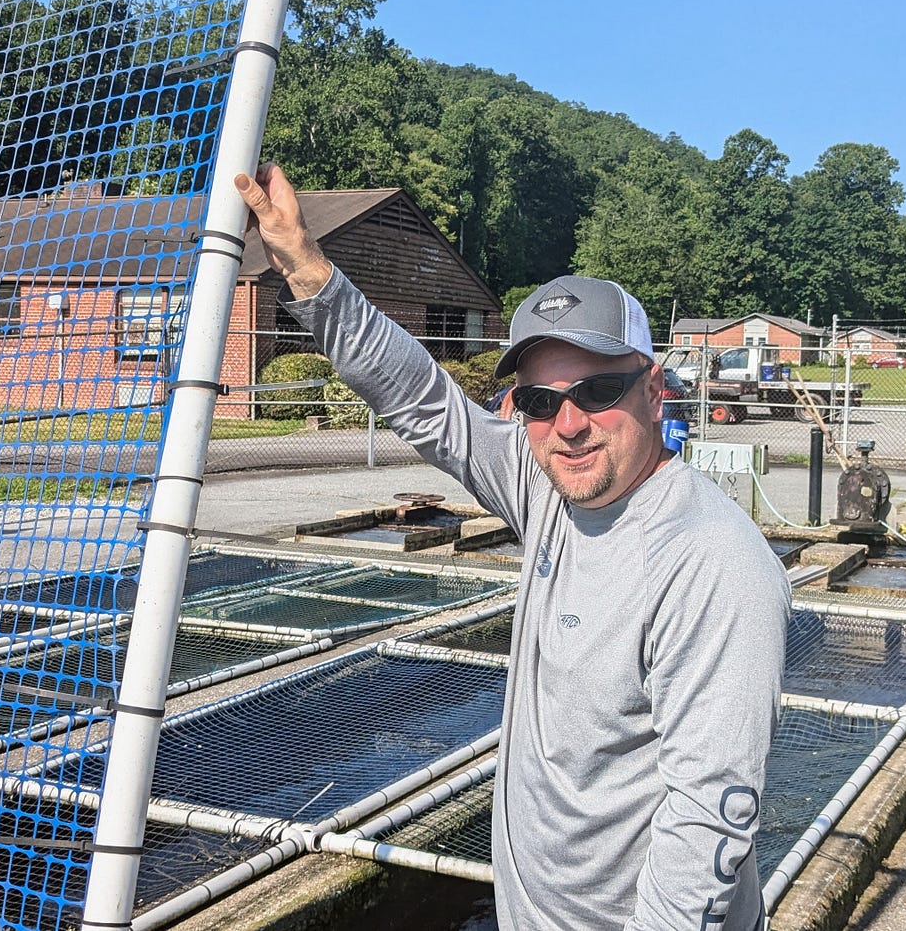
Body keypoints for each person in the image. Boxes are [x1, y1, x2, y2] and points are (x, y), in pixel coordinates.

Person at [235, 164, 790, 931]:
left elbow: (710, 822)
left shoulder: (713, 564)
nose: (568, 424)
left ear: (654, 389)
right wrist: (306, 267)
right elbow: (422, 400)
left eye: (598, 391)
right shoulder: (547, 487)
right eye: (538, 400)